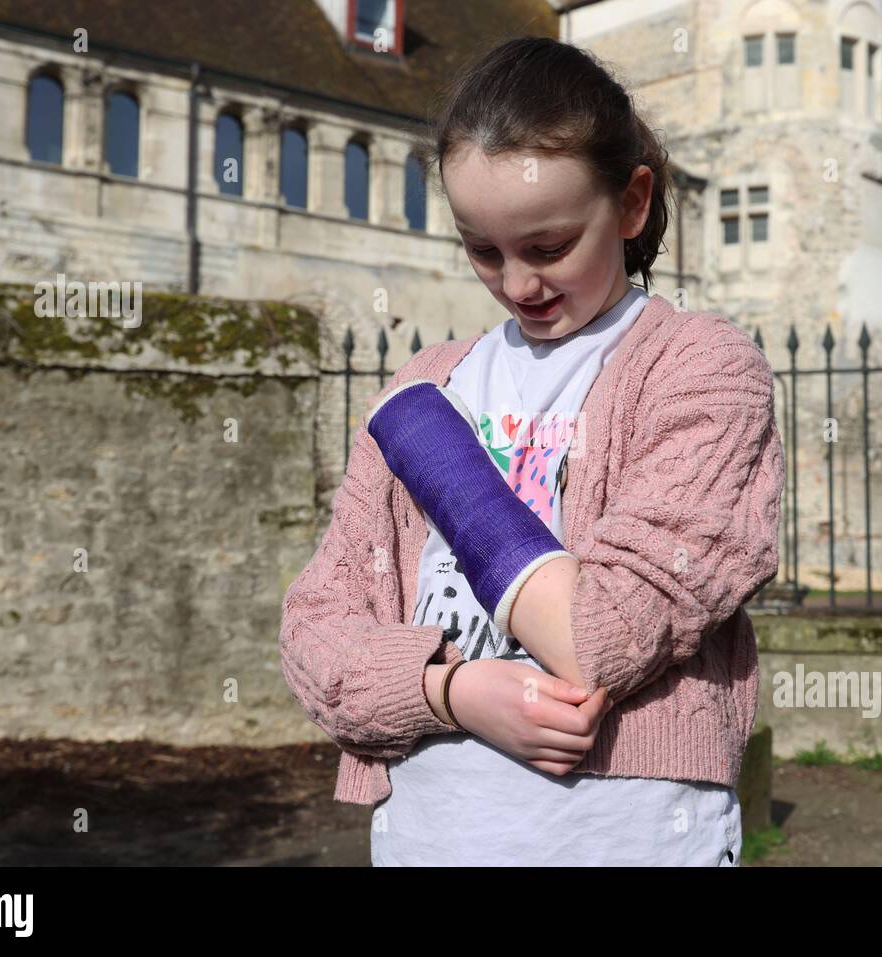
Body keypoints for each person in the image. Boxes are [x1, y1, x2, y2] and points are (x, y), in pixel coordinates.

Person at [278, 36, 784, 866]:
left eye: (548, 247)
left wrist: (438, 458)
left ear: (630, 204)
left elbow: (601, 636)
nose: (518, 285)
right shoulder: (428, 385)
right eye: (484, 249)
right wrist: (451, 691)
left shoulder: (701, 370)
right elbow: (314, 630)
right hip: (427, 840)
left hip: (631, 839)